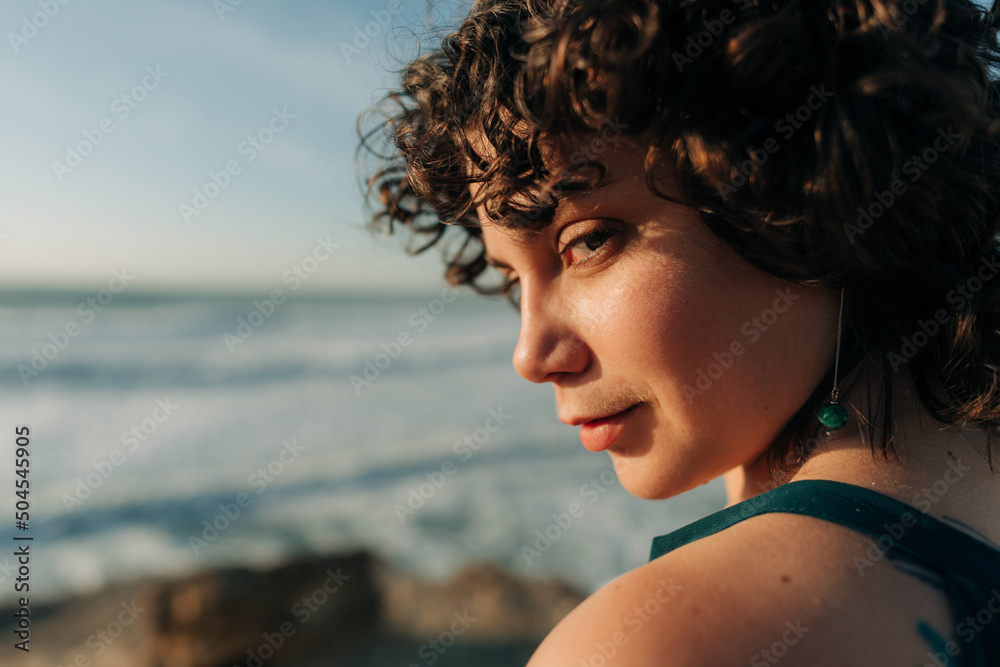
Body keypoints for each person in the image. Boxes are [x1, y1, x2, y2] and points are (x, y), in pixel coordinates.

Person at [360, 0, 1000, 664]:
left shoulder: (649, 644)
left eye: (587, 242)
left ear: (810, 189)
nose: (531, 355)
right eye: (513, 280)